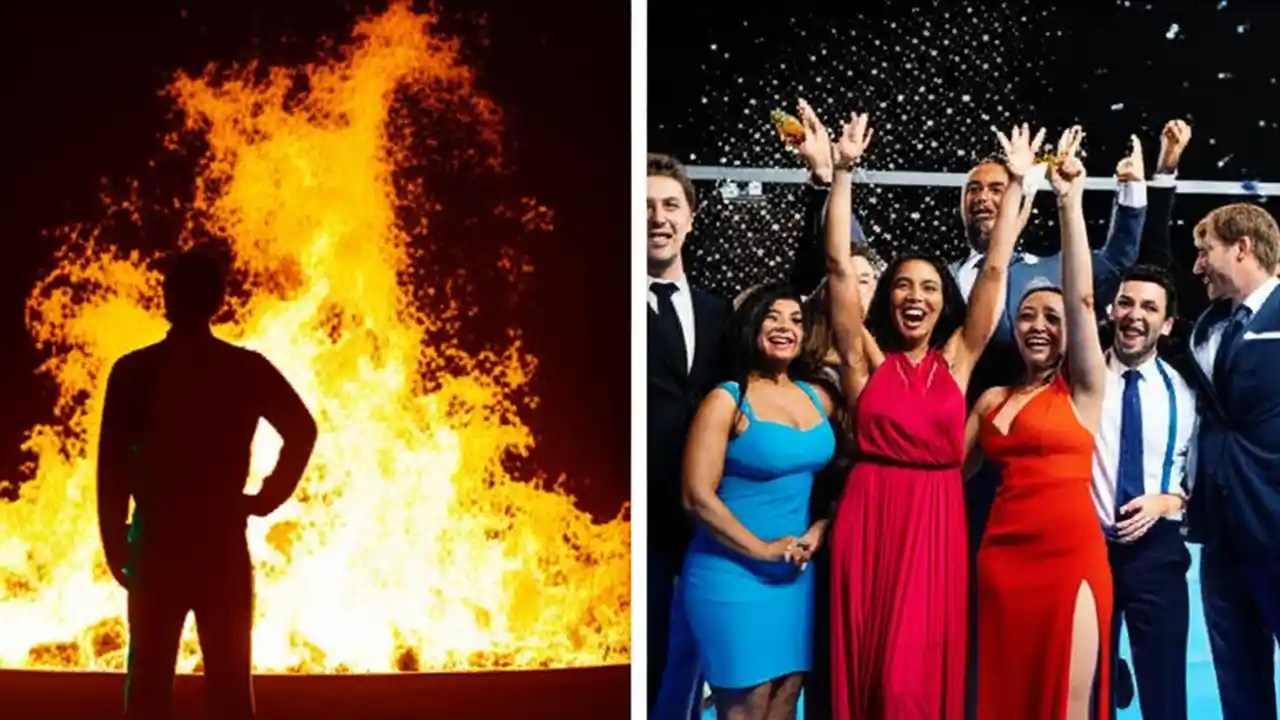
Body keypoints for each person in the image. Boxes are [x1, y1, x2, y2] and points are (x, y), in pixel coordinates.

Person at [820, 107, 1030, 716]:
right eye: (904, 287)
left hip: (937, 518)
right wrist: (841, 174)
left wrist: (1017, 184)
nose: (915, 297)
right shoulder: (863, 358)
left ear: (946, 303)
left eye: (930, 288)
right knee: (872, 658)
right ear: (888, 299)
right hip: (871, 513)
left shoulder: (959, 359)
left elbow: (995, 266)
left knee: (918, 666)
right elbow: (838, 267)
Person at [96, 248, 318, 720]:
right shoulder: (244, 369)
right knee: (232, 690)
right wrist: (264, 499)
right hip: (221, 541)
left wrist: (115, 540)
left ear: (168, 298)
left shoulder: (135, 372)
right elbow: (302, 429)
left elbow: (112, 465)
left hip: (158, 541)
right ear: (216, 301)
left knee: (149, 687)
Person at [965, 126, 1113, 720]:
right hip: (1001, 562)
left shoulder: (1084, 390)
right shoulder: (992, 401)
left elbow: (1080, 300)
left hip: (1070, 558)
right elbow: (941, 476)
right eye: (1027, 315)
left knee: (1067, 706)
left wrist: (1069, 202)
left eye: (1050, 317)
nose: (1038, 325)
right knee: (1004, 700)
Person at [680, 282, 837, 720]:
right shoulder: (726, 399)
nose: (786, 327)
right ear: (751, 324)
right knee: (746, 708)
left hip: (796, 575)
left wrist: (818, 531)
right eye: (773, 316)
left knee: (786, 701)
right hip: (731, 573)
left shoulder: (816, 396)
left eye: (796, 320)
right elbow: (697, 497)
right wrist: (763, 549)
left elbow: (834, 485)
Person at [1183, 202, 1280, 720]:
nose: (1197, 266)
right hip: (1222, 538)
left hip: (1277, 527)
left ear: (1241, 247)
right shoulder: (1206, 326)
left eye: (1206, 252)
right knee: (1238, 684)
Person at [1089, 265, 1196, 719]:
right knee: (1090, 687)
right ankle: (1112, 673)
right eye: (1127, 303)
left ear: (1167, 324)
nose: (1135, 315)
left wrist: (1171, 501)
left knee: (1165, 688)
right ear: (1112, 310)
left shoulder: (1186, 392)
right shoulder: (1080, 380)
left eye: (1150, 307)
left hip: (1158, 554)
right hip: (1088, 548)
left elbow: (1199, 481)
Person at [646, 153, 730, 719]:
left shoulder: (717, 311)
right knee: (648, 665)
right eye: (645, 207)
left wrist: (822, 185)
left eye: (671, 204)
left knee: (693, 667)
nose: (658, 217)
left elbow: (796, 303)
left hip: (704, 522)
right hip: (639, 522)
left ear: (691, 218)